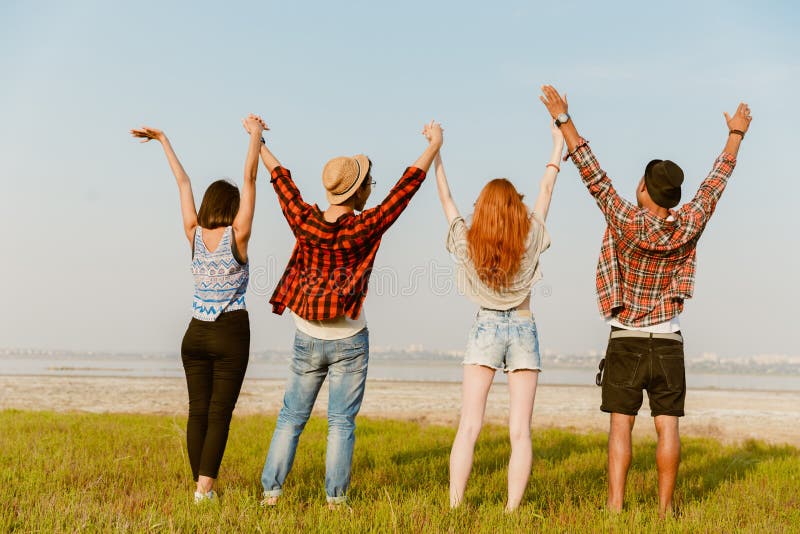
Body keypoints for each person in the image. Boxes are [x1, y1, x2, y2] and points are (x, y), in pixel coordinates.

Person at [539, 84, 751, 517]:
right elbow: (714, 184)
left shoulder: (625, 220)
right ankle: (665, 510)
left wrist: (563, 119)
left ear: (643, 190)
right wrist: (736, 135)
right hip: (669, 341)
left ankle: (615, 508)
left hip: (627, 339)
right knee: (668, 429)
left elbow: (592, 172)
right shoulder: (688, 224)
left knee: (621, 427)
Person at [246, 119, 443, 507]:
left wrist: (258, 140)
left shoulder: (305, 221)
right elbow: (405, 190)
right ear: (360, 192)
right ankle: (335, 501)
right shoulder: (366, 226)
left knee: (291, 417)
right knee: (340, 423)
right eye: (369, 183)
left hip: (307, 336)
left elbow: (281, 181)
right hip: (350, 340)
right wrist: (434, 145)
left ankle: (271, 494)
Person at [130, 114, 267, 503]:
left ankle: (202, 488)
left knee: (198, 412)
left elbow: (183, 183)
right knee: (219, 414)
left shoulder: (192, 233)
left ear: (208, 206)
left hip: (194, 334)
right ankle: (203, 490)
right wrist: (255, 135)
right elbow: (251, 179)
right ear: (233, 208)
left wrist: (163, 140)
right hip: (230, 330)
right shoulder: (238, 235)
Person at [437, 117, 564, 511]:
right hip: (524, 328)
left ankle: (455, 506)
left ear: (484, 209)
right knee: (520, 431)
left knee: (469, 426)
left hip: (485, 327)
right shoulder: (530, 236)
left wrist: (436, 153)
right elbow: (546, 188)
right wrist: (557, 142)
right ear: (515, 209)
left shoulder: (468, 243)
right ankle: (511, 511)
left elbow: (447, 200)